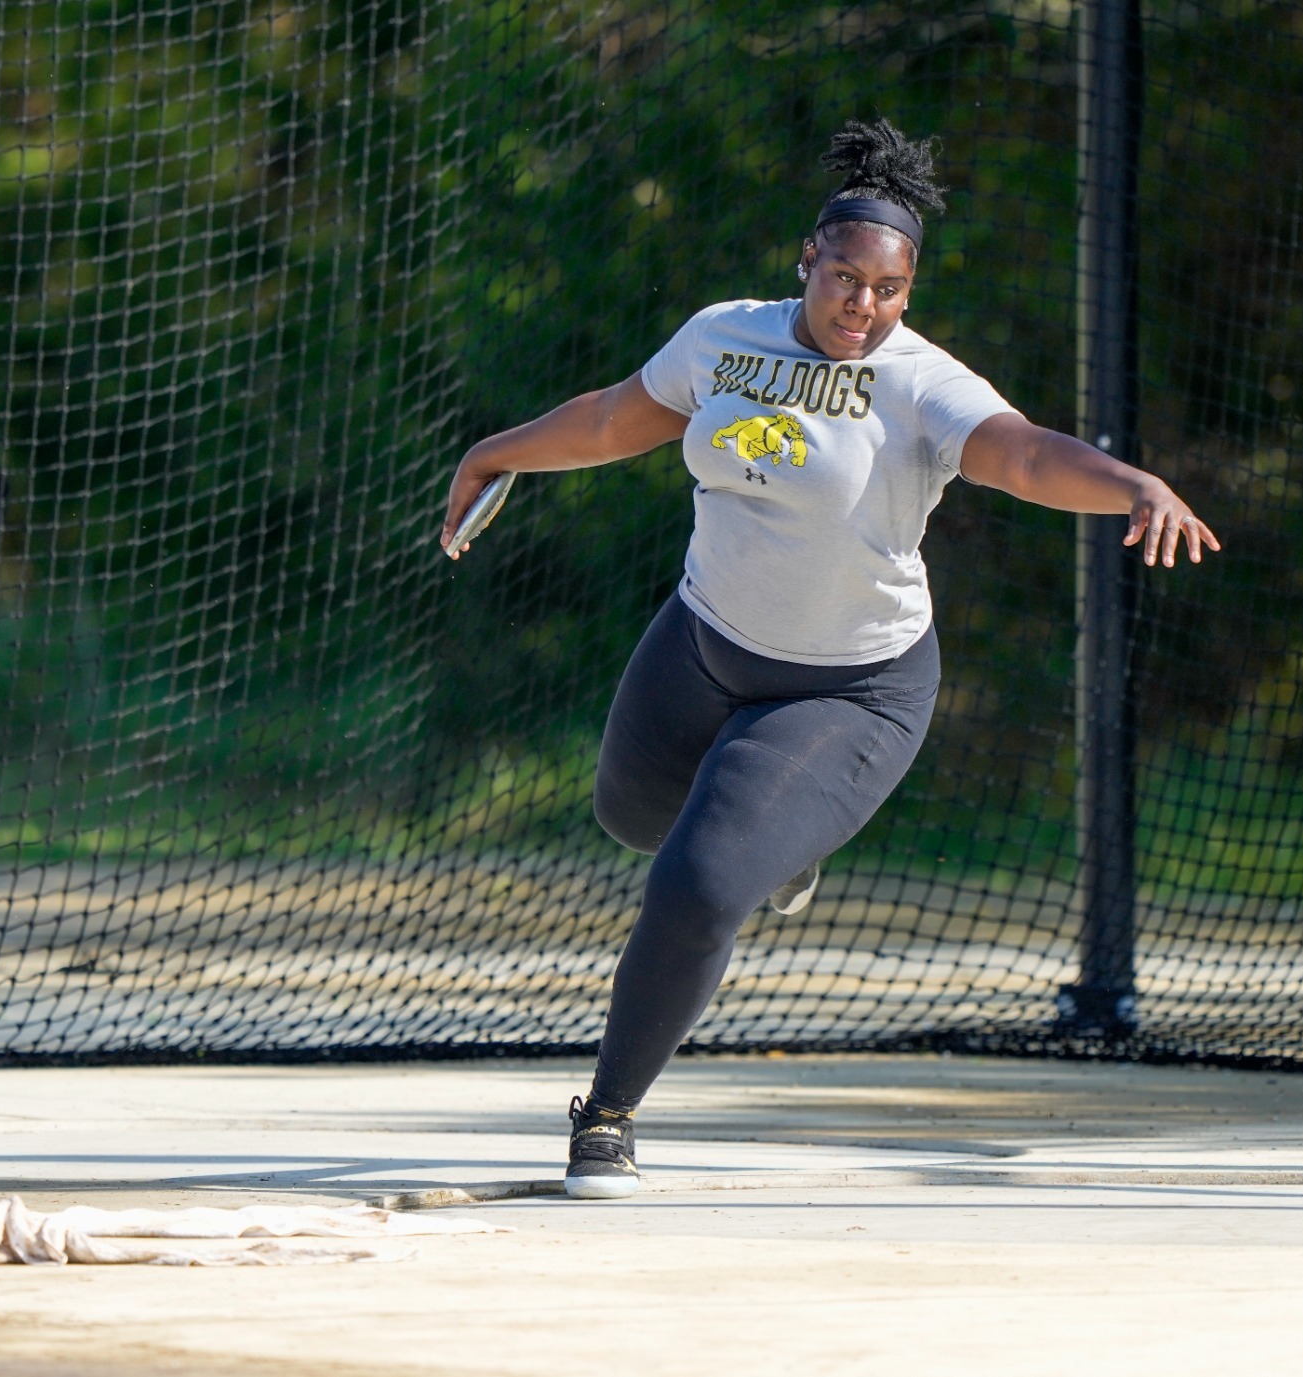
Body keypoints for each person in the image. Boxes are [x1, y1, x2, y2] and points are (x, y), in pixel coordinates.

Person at [438, 118, 1219, 1199]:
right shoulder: (724, 338)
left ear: (908, 292)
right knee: (627, 817)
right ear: (807, 260)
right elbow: (621, 417)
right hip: (703, 641)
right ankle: (783, 855)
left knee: (700, 883)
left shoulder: (920, 383)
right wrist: (495, 450)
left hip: (850, 688)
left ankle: (608, 1115)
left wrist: (1133, 483)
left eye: (887, 290)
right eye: (844, 279)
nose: (862, 306)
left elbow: (1025, 453)